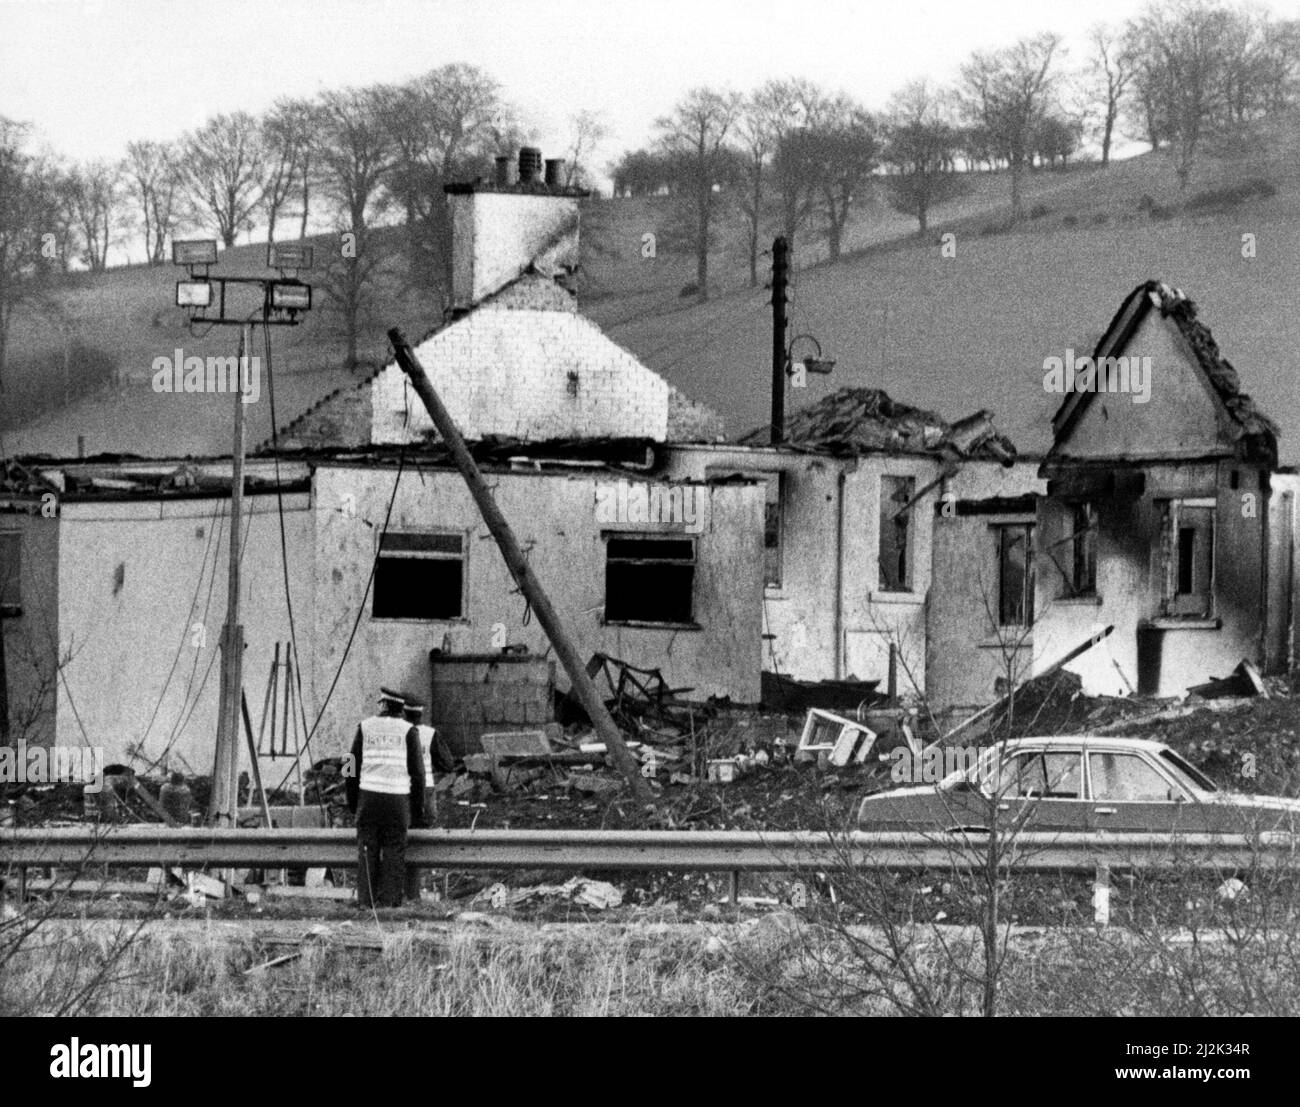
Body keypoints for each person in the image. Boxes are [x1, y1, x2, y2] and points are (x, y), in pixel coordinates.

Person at [346, 688, 424, 908]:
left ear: (384, 706)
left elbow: (349, 765)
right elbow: (418, 774)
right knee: (394, 851)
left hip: (368, 799)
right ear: (400, 708)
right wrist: (417, 809)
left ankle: (366, 901)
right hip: (397, 802)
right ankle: (389, 904)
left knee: (367, 849)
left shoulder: (364, 726)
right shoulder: (409, 730)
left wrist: (353, 801)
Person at [402, 698, 438, 903]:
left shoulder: (400, 732)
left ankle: (403, 891)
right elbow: (448, 762)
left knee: (398, 841)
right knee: (421, 838)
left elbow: (349, 758)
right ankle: (414, 892)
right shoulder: (429, 734)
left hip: (400, 790)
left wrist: (348, 778)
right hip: (426, 789)